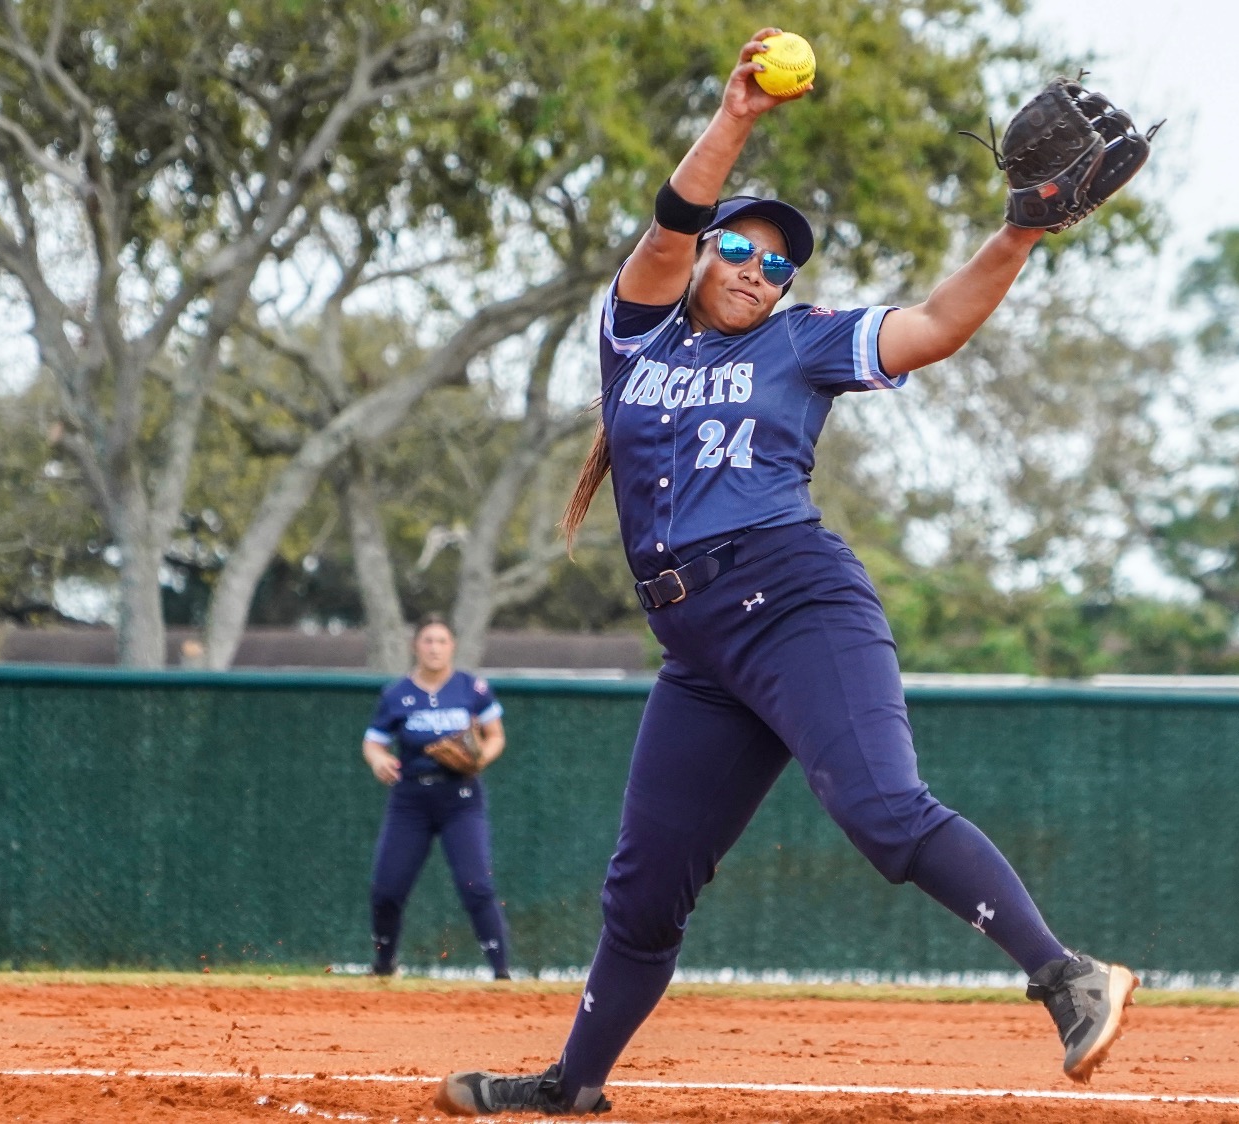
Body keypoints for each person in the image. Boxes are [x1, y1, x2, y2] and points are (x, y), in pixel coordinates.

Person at [435, 28, 1136, 1117]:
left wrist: (1019, 231)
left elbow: (935, 324)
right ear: (703, 256)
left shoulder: (799, 342)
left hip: (794, 599)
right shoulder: (636, 338)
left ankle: (1067, 975)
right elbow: (667, 227)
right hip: (699, 651)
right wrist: (737, 120)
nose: (759, 269)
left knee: (881, 811)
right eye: (741, 250)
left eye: (778, 262)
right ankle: (571, 1085)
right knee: (643, 890)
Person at [362, 613, 512, 981]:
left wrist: (479, 758)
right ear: (416, 646)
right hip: (411, 799)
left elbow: (496, 735)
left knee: (477, 885)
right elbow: (373, 741)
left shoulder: (471, 688)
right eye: (427, 640)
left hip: (460, 797)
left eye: (441, 641)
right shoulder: (396, 694)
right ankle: (383, 967)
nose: (434, 647)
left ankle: (502, 974)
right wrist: (379, 759)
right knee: (386, 890)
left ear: (452, 646)